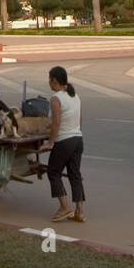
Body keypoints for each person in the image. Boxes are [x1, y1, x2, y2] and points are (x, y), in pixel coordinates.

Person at [43, 66, 84, 223]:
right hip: (78, 140)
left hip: (64, 141)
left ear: (54, 80)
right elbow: (79, 119)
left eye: (49, 79)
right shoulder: (74, 95)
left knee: (53, 172)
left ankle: (65, 207)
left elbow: (56, 124)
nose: (49, 82)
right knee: (75, 175)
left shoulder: (56, 98)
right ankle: (79, 212)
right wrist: (75, 132)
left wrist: (50, 143)